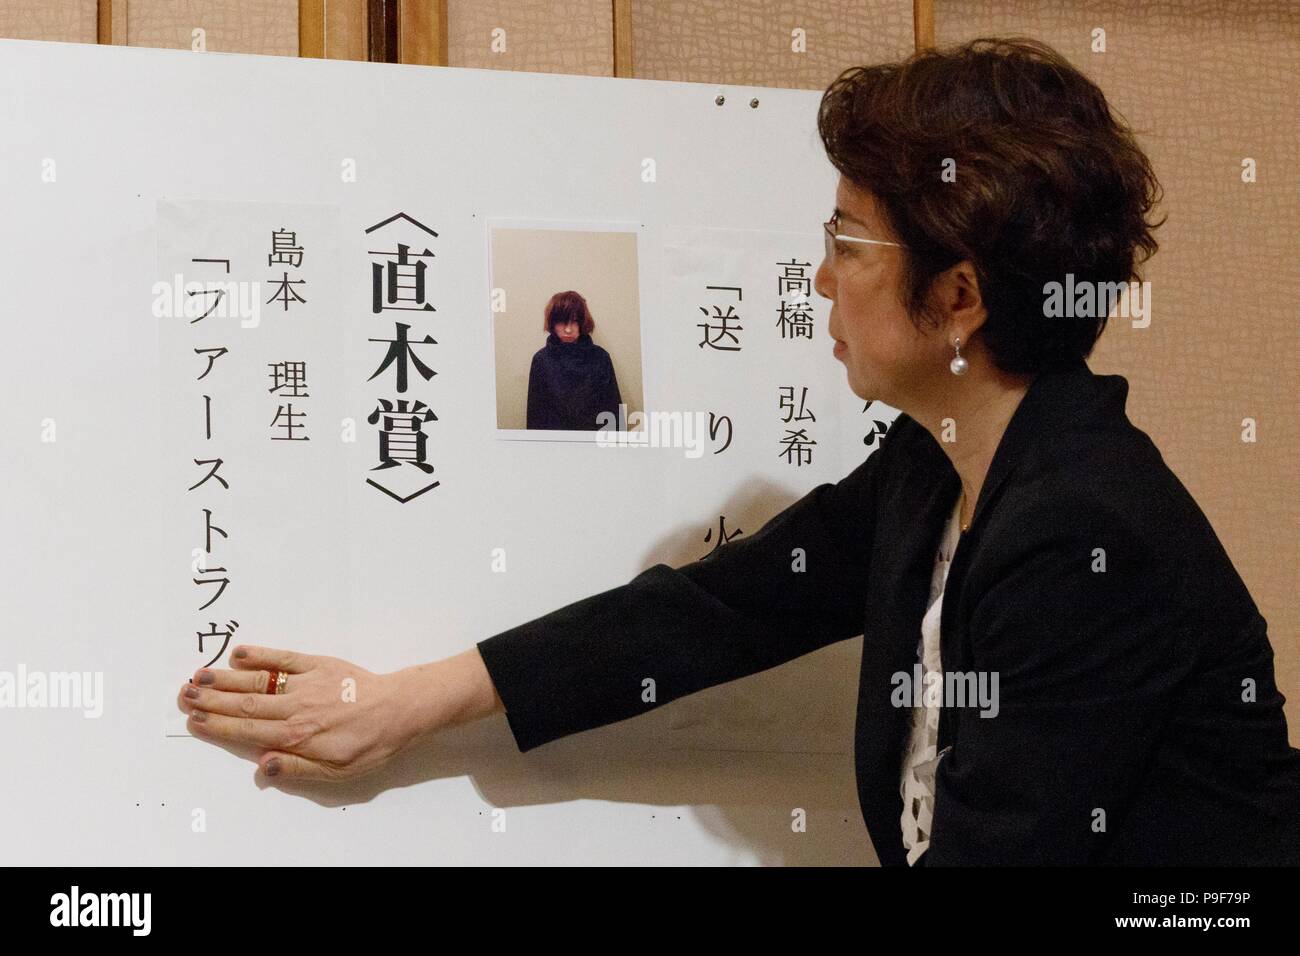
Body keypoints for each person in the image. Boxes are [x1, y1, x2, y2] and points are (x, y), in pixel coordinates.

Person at [175, 37, 1300, 865]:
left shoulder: (1082, 529)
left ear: (957, 295)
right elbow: (719, 609)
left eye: (846, 241)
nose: (818, 277)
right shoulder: (940, 467)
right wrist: (406, 699)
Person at [525, 290, 622, 430]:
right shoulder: (541, 361)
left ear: (582, 322)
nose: (568, 330)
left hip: (594, 443)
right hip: (554, 445)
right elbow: (535, 414)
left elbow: (613, 409)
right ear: (552, 323)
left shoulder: (601, 358)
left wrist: (614, 448)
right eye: (562, 322)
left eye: (574, 321)